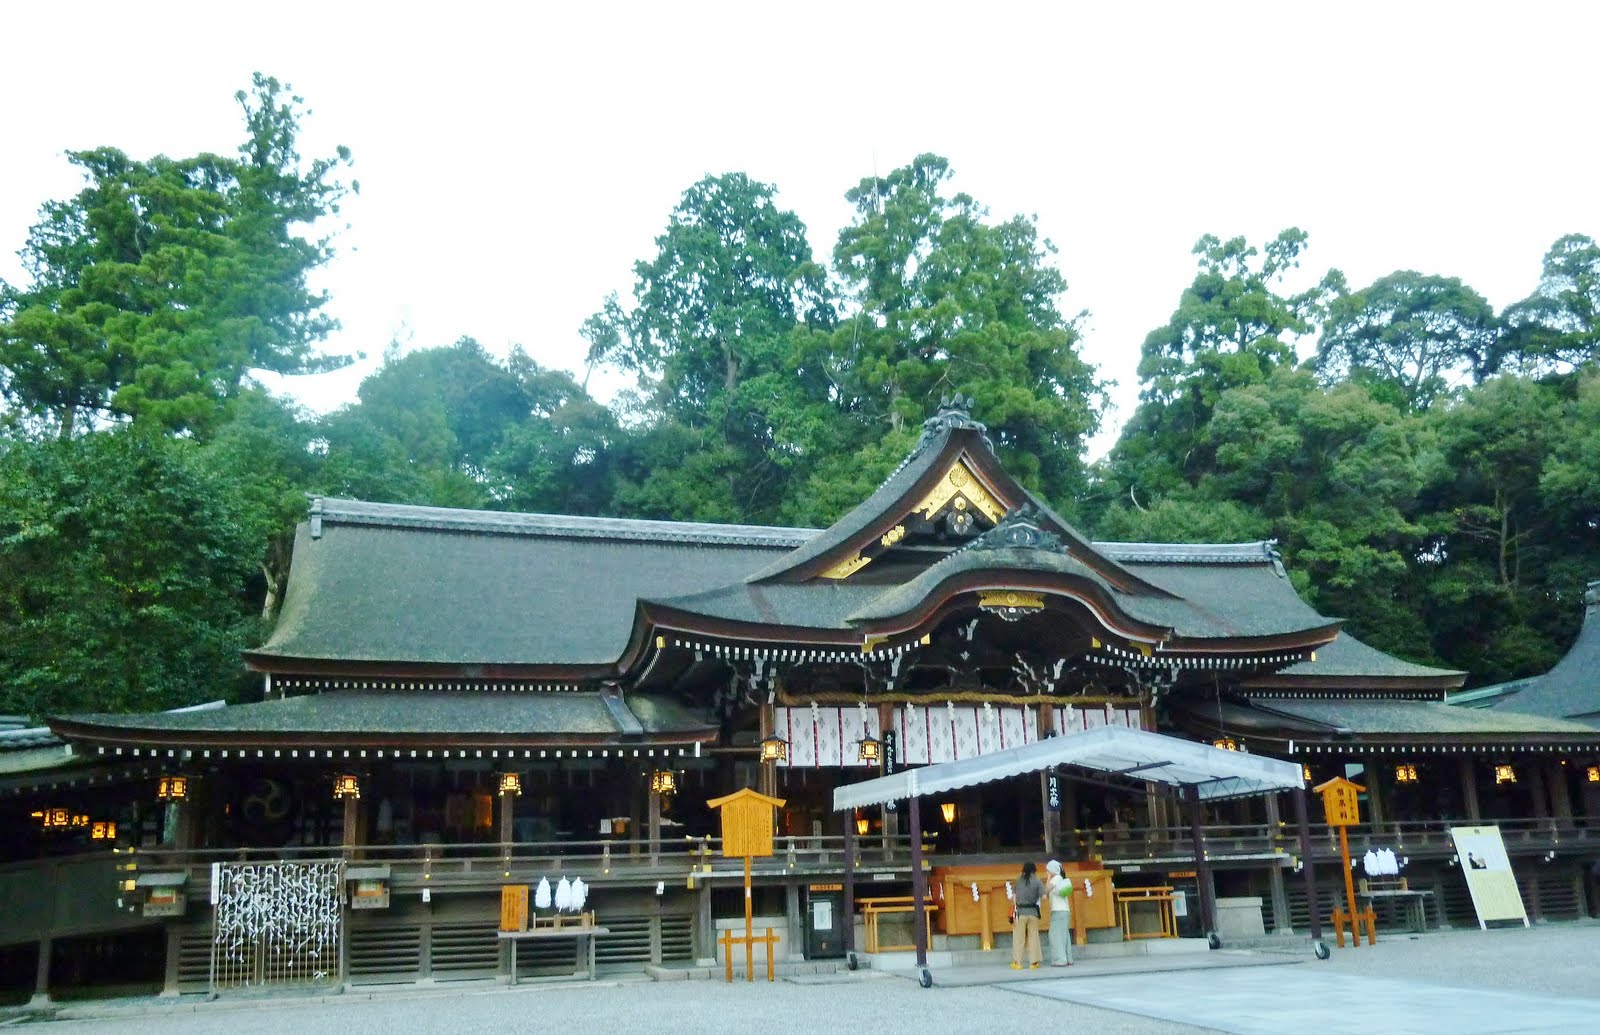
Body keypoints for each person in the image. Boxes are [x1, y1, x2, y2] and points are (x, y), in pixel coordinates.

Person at [1010, 860, 1044, 969]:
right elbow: (1043, 896)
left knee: (1018, 938)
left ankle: (1017, 963)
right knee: (1033, 937)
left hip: (1020, 912)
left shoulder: (1018, 881)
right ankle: (1033, 963)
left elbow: (1014, 898)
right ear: (1034, 870)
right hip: (1033, 913)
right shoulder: (1038, 881)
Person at [1045, 860, 1073, 966]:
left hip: (1058, 911)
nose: (1047, 872)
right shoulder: (1061, 879)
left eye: (1048, 870)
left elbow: (1046, 889)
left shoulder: (1056, 879)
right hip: (1065, 910)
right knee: (1064, 935)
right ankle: (1068, 958)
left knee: (1055, 935)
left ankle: (1060, 959)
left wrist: (1048, 878)